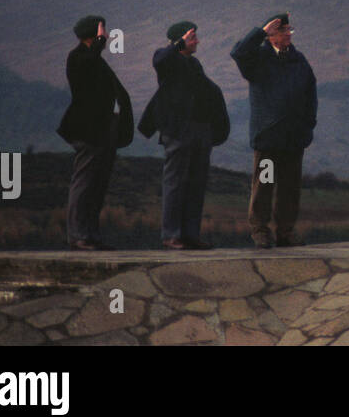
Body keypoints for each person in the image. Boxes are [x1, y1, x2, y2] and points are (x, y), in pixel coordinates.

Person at [138, 21, 230, 250]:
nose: (197, 41)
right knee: (175, 182)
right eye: (192, 37)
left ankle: (190, 234)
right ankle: (171, 235)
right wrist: (179, 44)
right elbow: (160, 60)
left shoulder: (194, 64)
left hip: (200, 131)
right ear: (180, 40)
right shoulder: (167, 60)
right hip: (178, 130)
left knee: (196, 183)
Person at [231, 13, 317, 248]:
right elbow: (238, 53)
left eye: (289, 30)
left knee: (290, 188)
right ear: (271, 36)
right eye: (282, 31)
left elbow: (311, 95)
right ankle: (260, 230)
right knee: (265, 185)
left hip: (293, 139)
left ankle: (285, 232)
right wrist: (260, 31)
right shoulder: (258, 60)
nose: (288, 34)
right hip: (269, 139)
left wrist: (307, 126)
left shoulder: (299, 61)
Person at [56, 15, 132, 250]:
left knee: (98, 184)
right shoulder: (79, 57)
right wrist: (99, 43)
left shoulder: (95, 59)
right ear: (93, 34)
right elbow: (87, 68)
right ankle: (78, 234)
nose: (107, 36)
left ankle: (90, 234)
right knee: (85, 182)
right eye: (102, 32)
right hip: (88, 130)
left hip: (104, 129)